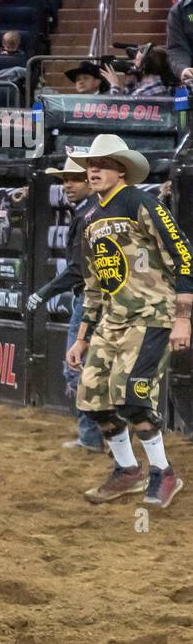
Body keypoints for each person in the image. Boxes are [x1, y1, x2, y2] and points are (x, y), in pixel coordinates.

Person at [66, 135, 191, 509]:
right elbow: (93, 283)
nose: (93, 170)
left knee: (130, 394)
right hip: (112, 320)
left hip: (152, 315)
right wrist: (82, 337)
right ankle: (128, 470)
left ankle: (163, 472)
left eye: (102, 163)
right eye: (91, 164)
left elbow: (183, 257)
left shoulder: (141, 202)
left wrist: (183, 320)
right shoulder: (90, 219)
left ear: (121, 169)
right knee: (93, 401)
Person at [24, 157, 103, 454]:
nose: (68, 185)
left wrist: (43, 293)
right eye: (64, 180)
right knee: (90, 368)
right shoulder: (90, 213)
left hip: (90, 298)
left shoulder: (87, 216)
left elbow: (76, 269)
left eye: (74, 179)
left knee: (77, 367)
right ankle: (98, 435)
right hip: (96, 298)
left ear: (89, 181)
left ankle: (94, 436)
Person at [166, 0, 193, 87]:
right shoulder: (177, 12)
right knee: (181, 106)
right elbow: (177, 48)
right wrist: (183, 69)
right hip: (191, 83)